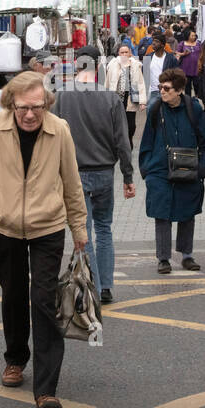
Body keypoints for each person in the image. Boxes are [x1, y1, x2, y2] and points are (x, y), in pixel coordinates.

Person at [0, 71, 88, 408]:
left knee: (44, 300)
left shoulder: (59, 129)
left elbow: (71, 182)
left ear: (46, 104)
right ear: (11, 104)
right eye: (23, 108)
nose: (30, 114)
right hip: (6, 228)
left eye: (37, 107)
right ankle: (15, 358)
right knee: (14, 295)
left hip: (48, 227)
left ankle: (46, 390)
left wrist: (78, 229)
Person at [54, 45, 134, 304]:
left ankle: (93, 288)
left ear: (76, 65)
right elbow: (123, 141)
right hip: (104, 173)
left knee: (82, 231)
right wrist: (128, 176)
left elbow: (52, 140)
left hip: (74, 174)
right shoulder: (110, 98)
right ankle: (107, 285)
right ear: (97, 65)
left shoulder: (61, 97)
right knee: (104, 228)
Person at [140, 68, 205, 275]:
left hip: (189, 169)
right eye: (160, 87)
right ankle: (163, 258)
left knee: (187, 211)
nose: (162, 91)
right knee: (162, 213)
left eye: (166, 88)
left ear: (180, 90)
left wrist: (203, 167)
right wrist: (146, 168)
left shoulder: (194, 109)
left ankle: (186, 255)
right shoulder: (155, 109)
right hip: (160, 170)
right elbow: (146, 141)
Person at [103, 44, 146, 146]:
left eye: (126, 52)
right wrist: (105, 99)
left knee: (131, 125)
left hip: (130, 98)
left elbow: (141, 83)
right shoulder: (113, 65)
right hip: (116, 98)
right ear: (118, 53)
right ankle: (120, 143)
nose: (124, 54)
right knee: (117, 123)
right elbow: (107, 82)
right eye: (122, 52)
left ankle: (129, 140)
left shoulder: (136, 65)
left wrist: (143, 101)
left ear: (130, 53)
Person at [142, 34, 180, 100]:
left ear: (162, 45)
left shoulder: (171, 59)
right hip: (151, 92)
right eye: (153, 41)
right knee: (151, 110)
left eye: (156, 41)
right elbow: (143, 75)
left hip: (166, 92)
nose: (153, 43)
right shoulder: (147, 57)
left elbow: (176, 76)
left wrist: (166, 85)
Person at [176, 30, 203, 98]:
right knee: (187, 86)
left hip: (196, 68)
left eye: (194, 35)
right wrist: (183, 54)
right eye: (192, 35)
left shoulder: (198, 44)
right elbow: (176, 53)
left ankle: (197, 99)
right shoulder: (182, 43)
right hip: (186, 68)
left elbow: (202, 53)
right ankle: (188, 101)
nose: (194, 37)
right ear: (187, 36)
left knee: (197, 84)